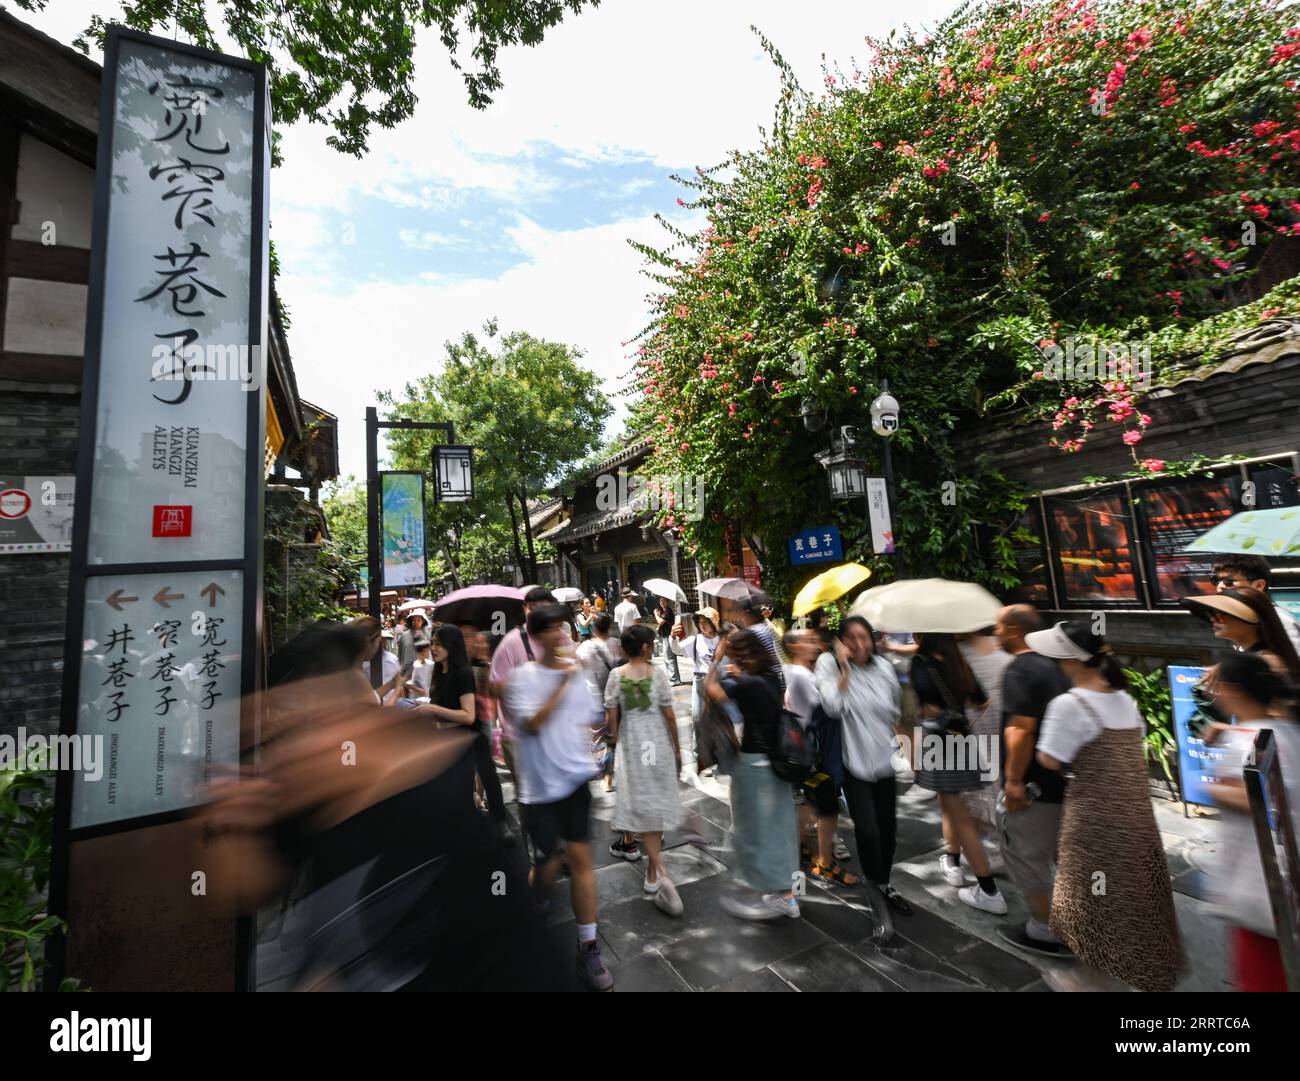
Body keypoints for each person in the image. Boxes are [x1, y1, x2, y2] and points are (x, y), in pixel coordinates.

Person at [1031, 620, 1183, 991]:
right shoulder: (1125, 699)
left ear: (1067, 660)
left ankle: (1094, 982)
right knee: (1132, 897)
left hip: (1095, 820)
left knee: (1093, 895)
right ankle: (1128, 973)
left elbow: (1050, 759)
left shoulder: (1069, 704)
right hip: (1134, 816)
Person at [502, 603, 612, 990]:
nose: (560, 635)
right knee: (547, 865)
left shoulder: (577, 677)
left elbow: (589, 720)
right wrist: (564, 683)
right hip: (538, 789)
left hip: (576, 783)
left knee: (581, 861)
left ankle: (588, 949)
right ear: (536, 635)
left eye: (563, 628)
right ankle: (536, 902)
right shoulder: (521, 680)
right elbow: (531, 725)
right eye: (551, 629)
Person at [1203, 652, 1300, 992]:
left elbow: (1260, 798)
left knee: (1264, 977)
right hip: (1277, 882)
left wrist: (1213, 789)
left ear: (1232, 689)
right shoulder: (1285, 728)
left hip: (1262, 884)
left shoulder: (1249, 740)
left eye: (1216, 685)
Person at [815, 617, 913, 912]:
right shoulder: (828, 664)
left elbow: (894, 711)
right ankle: (873, 883)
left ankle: (883, 883)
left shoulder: (883, 667)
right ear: (841, 643)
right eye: (852, 638)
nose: (860, 644)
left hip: (885, 759)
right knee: (868, 830)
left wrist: (910, 753)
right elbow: (833, 707)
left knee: (888, 829)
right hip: (852, 763)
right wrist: (845, 669)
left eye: (864, 637)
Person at [992, 604, 1073, 956]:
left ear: (1012, 630)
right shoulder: (1057, 665)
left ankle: (1045, 929)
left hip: (1033, 784)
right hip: (1062, 780)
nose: (994, 633)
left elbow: (1021, 728)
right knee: (1061, 854)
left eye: (997, 626)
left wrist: (1013, 780)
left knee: (1027, 855)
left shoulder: (1021, 670)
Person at [911, 632, 1009, 915]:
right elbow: (983, 702)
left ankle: (988, 889)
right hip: (964, 738)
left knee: (961, 816)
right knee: (950, 806)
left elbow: (925, 707)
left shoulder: (921, 661)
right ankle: (952, 862)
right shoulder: (958, 660)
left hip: (940, 742)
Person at [707, 628, 800, 920]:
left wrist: (716, 658)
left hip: (754, 763)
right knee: (779, 828)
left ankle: (774, 892)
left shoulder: (745, 684)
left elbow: (709, 689)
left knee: (754, 829)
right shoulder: (773, 676)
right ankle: (789, 893)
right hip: (777, 762)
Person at [603, 624, 685, 915]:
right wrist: (677, 749)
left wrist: (612, 745)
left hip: (632, 745)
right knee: (657, 802)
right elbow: (669, 714)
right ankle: (654, 869)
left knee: (641, 801)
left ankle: (655, 870)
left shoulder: (616, 676)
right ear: (648, 647)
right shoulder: (658, 674)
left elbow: (611, 717)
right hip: (656, 743)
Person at [956, 626, 1012, 874]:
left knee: (978, 793)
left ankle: (991, 856)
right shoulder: (1002, 646)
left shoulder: (956, 654)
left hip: (974, 726)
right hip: (1004, 725)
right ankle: (1006, 849)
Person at [488, 587, 557, 788]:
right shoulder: (511, 642)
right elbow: (494, 688)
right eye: (532, 608)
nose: (536, 613)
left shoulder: (560, 638)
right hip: (519, 738)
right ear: (525, 609)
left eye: (542, 609)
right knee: (531, 798)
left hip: (554, 736)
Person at [457, 623, 514, 846]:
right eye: (468, 637)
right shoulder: (455, 666)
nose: (474, 641)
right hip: (460, 729)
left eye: (476, 638)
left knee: (488, 775)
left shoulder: (484, 666)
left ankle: (500, 821)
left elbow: (494, 692)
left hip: (481, 725)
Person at [1183, 587, 1300, 683]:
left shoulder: (1262, 665)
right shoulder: (1256, 659)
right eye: (1211, 614)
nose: (1213, 619)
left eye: (1221, 615)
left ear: (1251, 619)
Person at [1211, 554, 1300, 655]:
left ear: (1258, 585)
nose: (1219, 586)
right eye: (1215, 581)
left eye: (1228, 582)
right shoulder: (1248, 617)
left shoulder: (1281, 621)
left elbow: (1294, 665)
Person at [670, 607, 720, 770]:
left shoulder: (723, 640)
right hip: (700, 680)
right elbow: (677, 650)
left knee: (718, 721)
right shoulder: (695, 640)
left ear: (714, 622)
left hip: (719, 682)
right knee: (698, 719)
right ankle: (701, 757)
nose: (703, 625)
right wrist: (673, 637)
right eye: (700, 622)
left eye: (706, 622)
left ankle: (718, 756)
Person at [578, 613, 619, 793]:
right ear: (609, 627)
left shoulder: (584, 647)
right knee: (611, 739)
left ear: (594, 628)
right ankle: (608, 778)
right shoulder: (617, 644)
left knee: (598, 738)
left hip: (593, 700)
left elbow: (577, 670)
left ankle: (603, 771)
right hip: (615, 699)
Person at [654, 597, 682, 684]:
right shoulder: (664, 611)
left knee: (669, 658)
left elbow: (660, 621)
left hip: (668, 636)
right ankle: (675, 678)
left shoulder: (668, 611)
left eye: (663, 601)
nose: (661, 602)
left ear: (667, 602)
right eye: (660, 600)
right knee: (669, 657)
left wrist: (655, 614)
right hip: (666, 636)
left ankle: (674, 679)